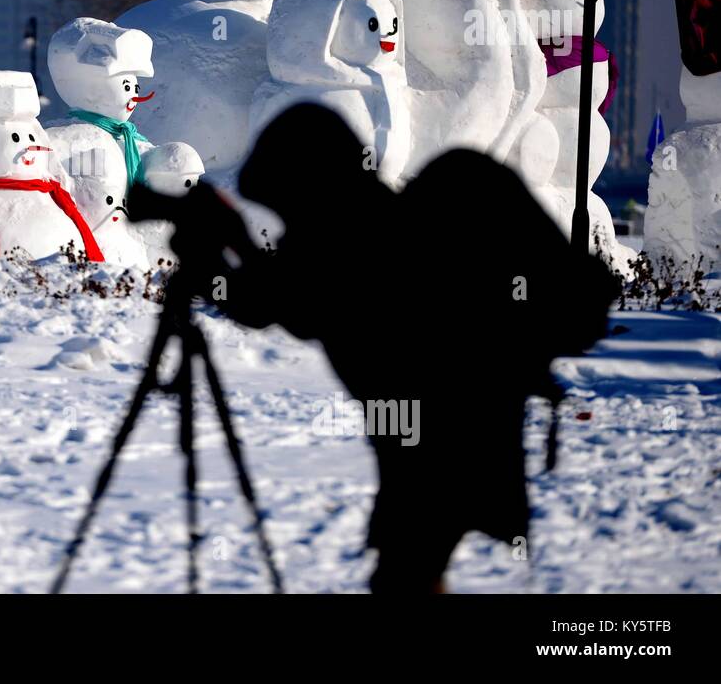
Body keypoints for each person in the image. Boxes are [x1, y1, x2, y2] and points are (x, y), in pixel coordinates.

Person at [158, 103, 619, 592]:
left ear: (310, 186)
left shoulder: (352, 238)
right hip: (446, 446)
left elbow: (275, 302)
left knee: (405, 573)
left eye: (287, 204)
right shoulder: (368, 225)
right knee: (407, 570)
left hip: (444, 453)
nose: (288, 221)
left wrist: (211, 257)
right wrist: (230, 246)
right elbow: (285, 301)